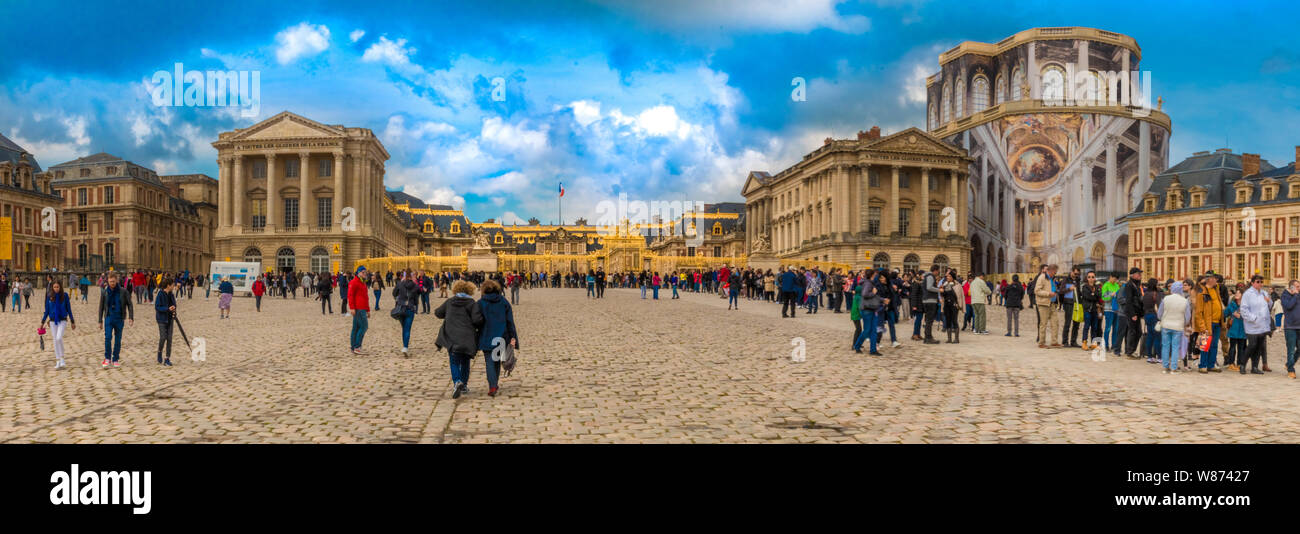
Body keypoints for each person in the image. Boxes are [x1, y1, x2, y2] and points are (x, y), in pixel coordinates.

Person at [437, 280, 484, 398]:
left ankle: (457, 381)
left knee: (454, 361)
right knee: (465, 362)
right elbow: (477, 320)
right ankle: (464, 385)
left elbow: (438, 313)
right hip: (467, 338)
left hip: (452, 337)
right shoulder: (472, 303)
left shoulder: (449, 302)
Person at [477, 279, 518, 397]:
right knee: (497, 360)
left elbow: (476, 320)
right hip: (501, 335)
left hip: (486, 335)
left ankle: (492, 385)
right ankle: (494, 384)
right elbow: (510, 321)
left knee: (489, 361)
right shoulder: (503, 302)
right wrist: (512, 336)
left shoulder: (480, 303)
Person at [97, 273, 134, 368]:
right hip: (109, 317)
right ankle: (107, 358)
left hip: (119, 318)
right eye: (110, 282)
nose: (112, 283)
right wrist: (100, 321)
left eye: (113, 281)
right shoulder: (105, 292)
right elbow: (101, 307)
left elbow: (129, 304)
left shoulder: (123, 291)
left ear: (116, 281)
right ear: (108, 281)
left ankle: (115, 359)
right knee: (108, 338)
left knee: (118, 339)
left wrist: (131, 317)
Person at [1239, 275, 1272, 375]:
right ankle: (1242, 364)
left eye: (1262, 282)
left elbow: (1270, 306)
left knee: (1259, 346)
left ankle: (1254, 367)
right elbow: (1243, 309)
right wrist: (1253, 318)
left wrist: (1269, 301)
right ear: (1252, 283)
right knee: (1252, 345)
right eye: (1258, 282)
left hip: (1263, 325)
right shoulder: (1247, 294)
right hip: (1252, 325)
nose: (1260, 284)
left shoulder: (1264, 293)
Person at [40, 280, 76, 370]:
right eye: (54, 287)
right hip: (52, 321)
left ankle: (62, 358)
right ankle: (58, 360)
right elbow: (47, 311)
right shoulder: (49, 297)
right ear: (52, 287)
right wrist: (42, 322)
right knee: (55, 340)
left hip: (62, 320)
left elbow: (69, 309)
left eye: (57, 287)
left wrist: (72, 321)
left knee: (59, 337)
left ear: (60, 287)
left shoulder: (65, 296)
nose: (56, 288)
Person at [1192, 275, 1224, 374]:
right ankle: (1203, 365)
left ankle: (1211, 364)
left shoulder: (1216, 290)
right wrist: (1202, 326)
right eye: (1215, 278)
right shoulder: (1202, 293)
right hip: (1207, 323)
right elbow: (1198, 312)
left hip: (1217, 322)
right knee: (1205, 345)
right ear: (1209, 279)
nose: (1217, 280)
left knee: (1214, 345)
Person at [1156, 281, 1189, 374]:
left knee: (1165, 346)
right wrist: (1184, 323)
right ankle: (1174, 368)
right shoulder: (1184, 301)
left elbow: (1159, 313)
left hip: (1166, 325)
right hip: (1178, 326)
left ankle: (1165, 367)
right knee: (1175, 347)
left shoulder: (1166, 299)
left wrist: (1161, 319)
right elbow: (1187, 316)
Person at [852, 269, 881, 355]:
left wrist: (882, 300)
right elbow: (865, 294)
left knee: (873, 330)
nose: (876, 275)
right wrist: (873, 293)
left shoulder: (869, 283)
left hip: (871, 308)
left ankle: (873, 350)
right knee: (867, 330)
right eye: (874, 274)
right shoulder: (868, 283)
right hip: (867, 309)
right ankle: (857, 346)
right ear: (872, 275)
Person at [392, 270, 420, 355]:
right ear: (411, 276)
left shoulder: (400, 283)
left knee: (404, 328)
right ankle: (405, 347)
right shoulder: (415, 285)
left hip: (401, 308)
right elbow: (416, 298)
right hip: (410, 308)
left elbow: (394, 293)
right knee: (407, 329)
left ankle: (404, 346)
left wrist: (400, 283)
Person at [1034, 264, 1060, 348]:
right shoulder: (1042, 277)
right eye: (1055, 272)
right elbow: (1037, 291)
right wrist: (1048, 294)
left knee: (1055, 323)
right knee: (1043, 324)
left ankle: (1054, 341)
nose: (1055, 274)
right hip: (1043, 304)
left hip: (1052, 304)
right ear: (1051, 270)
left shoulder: (1052, 279)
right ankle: (1041, 343)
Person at [347, 267, 371, 355]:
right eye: (363, 272)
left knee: (356, 328)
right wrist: (352, 307)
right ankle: (357, 346)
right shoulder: (354, 282)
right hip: (358, 308)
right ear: (358, 273)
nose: (365, 274)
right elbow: (350, 295)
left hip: (363, 308)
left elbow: (366, 297)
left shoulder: (363, 283)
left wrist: (368, 310)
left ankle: (353, 347)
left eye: (365, 272)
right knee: (364, 326)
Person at [154, 278, 178, 366]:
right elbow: (157, 307)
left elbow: (174, 304)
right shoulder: (160, 294)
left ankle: (167, 358)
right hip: (161, 319)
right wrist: (167, 309)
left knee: (169, 338)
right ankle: (159, 351)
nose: (173, 286)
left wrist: (173, 308)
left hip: (170, 318)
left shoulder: (171, 294)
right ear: (168, 285)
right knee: (163, 337)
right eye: (172, 285)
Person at [1078, 271, 1101, 350]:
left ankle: (1094, 343)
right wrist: (1094, 295)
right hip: (1087, 309)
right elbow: (1087, 297)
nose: (1091, 279)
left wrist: (1093, 294)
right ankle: (1084, 343)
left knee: (1094, 327)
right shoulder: (1085, 287)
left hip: (1095, 310)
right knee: (1086, 326)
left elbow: (1099, 296)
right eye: (1089, 277)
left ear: (1095, 278)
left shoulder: (1097, 287)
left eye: (1092, 277)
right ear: (1087, 278)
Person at [1225, 288, 1246, 372]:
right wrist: (1230, 313)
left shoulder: (1245, 305)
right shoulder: (1232, 304)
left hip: (1243, 329)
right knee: (1232, 347)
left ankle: (1240, 363)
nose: (1236, 294)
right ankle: (1231, 363)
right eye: (1236, 293)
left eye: (1239, 293)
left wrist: (1241, 316)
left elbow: (1249, 315)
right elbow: (1225, 313)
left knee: (1241, 348)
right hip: (1233, 329)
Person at [1283, 279, 1300, 379]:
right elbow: (1289, 306)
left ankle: (1289, 363)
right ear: (1292, 287)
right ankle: (1291, 370)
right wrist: (1295, 295)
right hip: (1290, 327)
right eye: (1297, 286)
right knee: (1291, 350)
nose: (1299, 288)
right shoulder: (1285, 295)